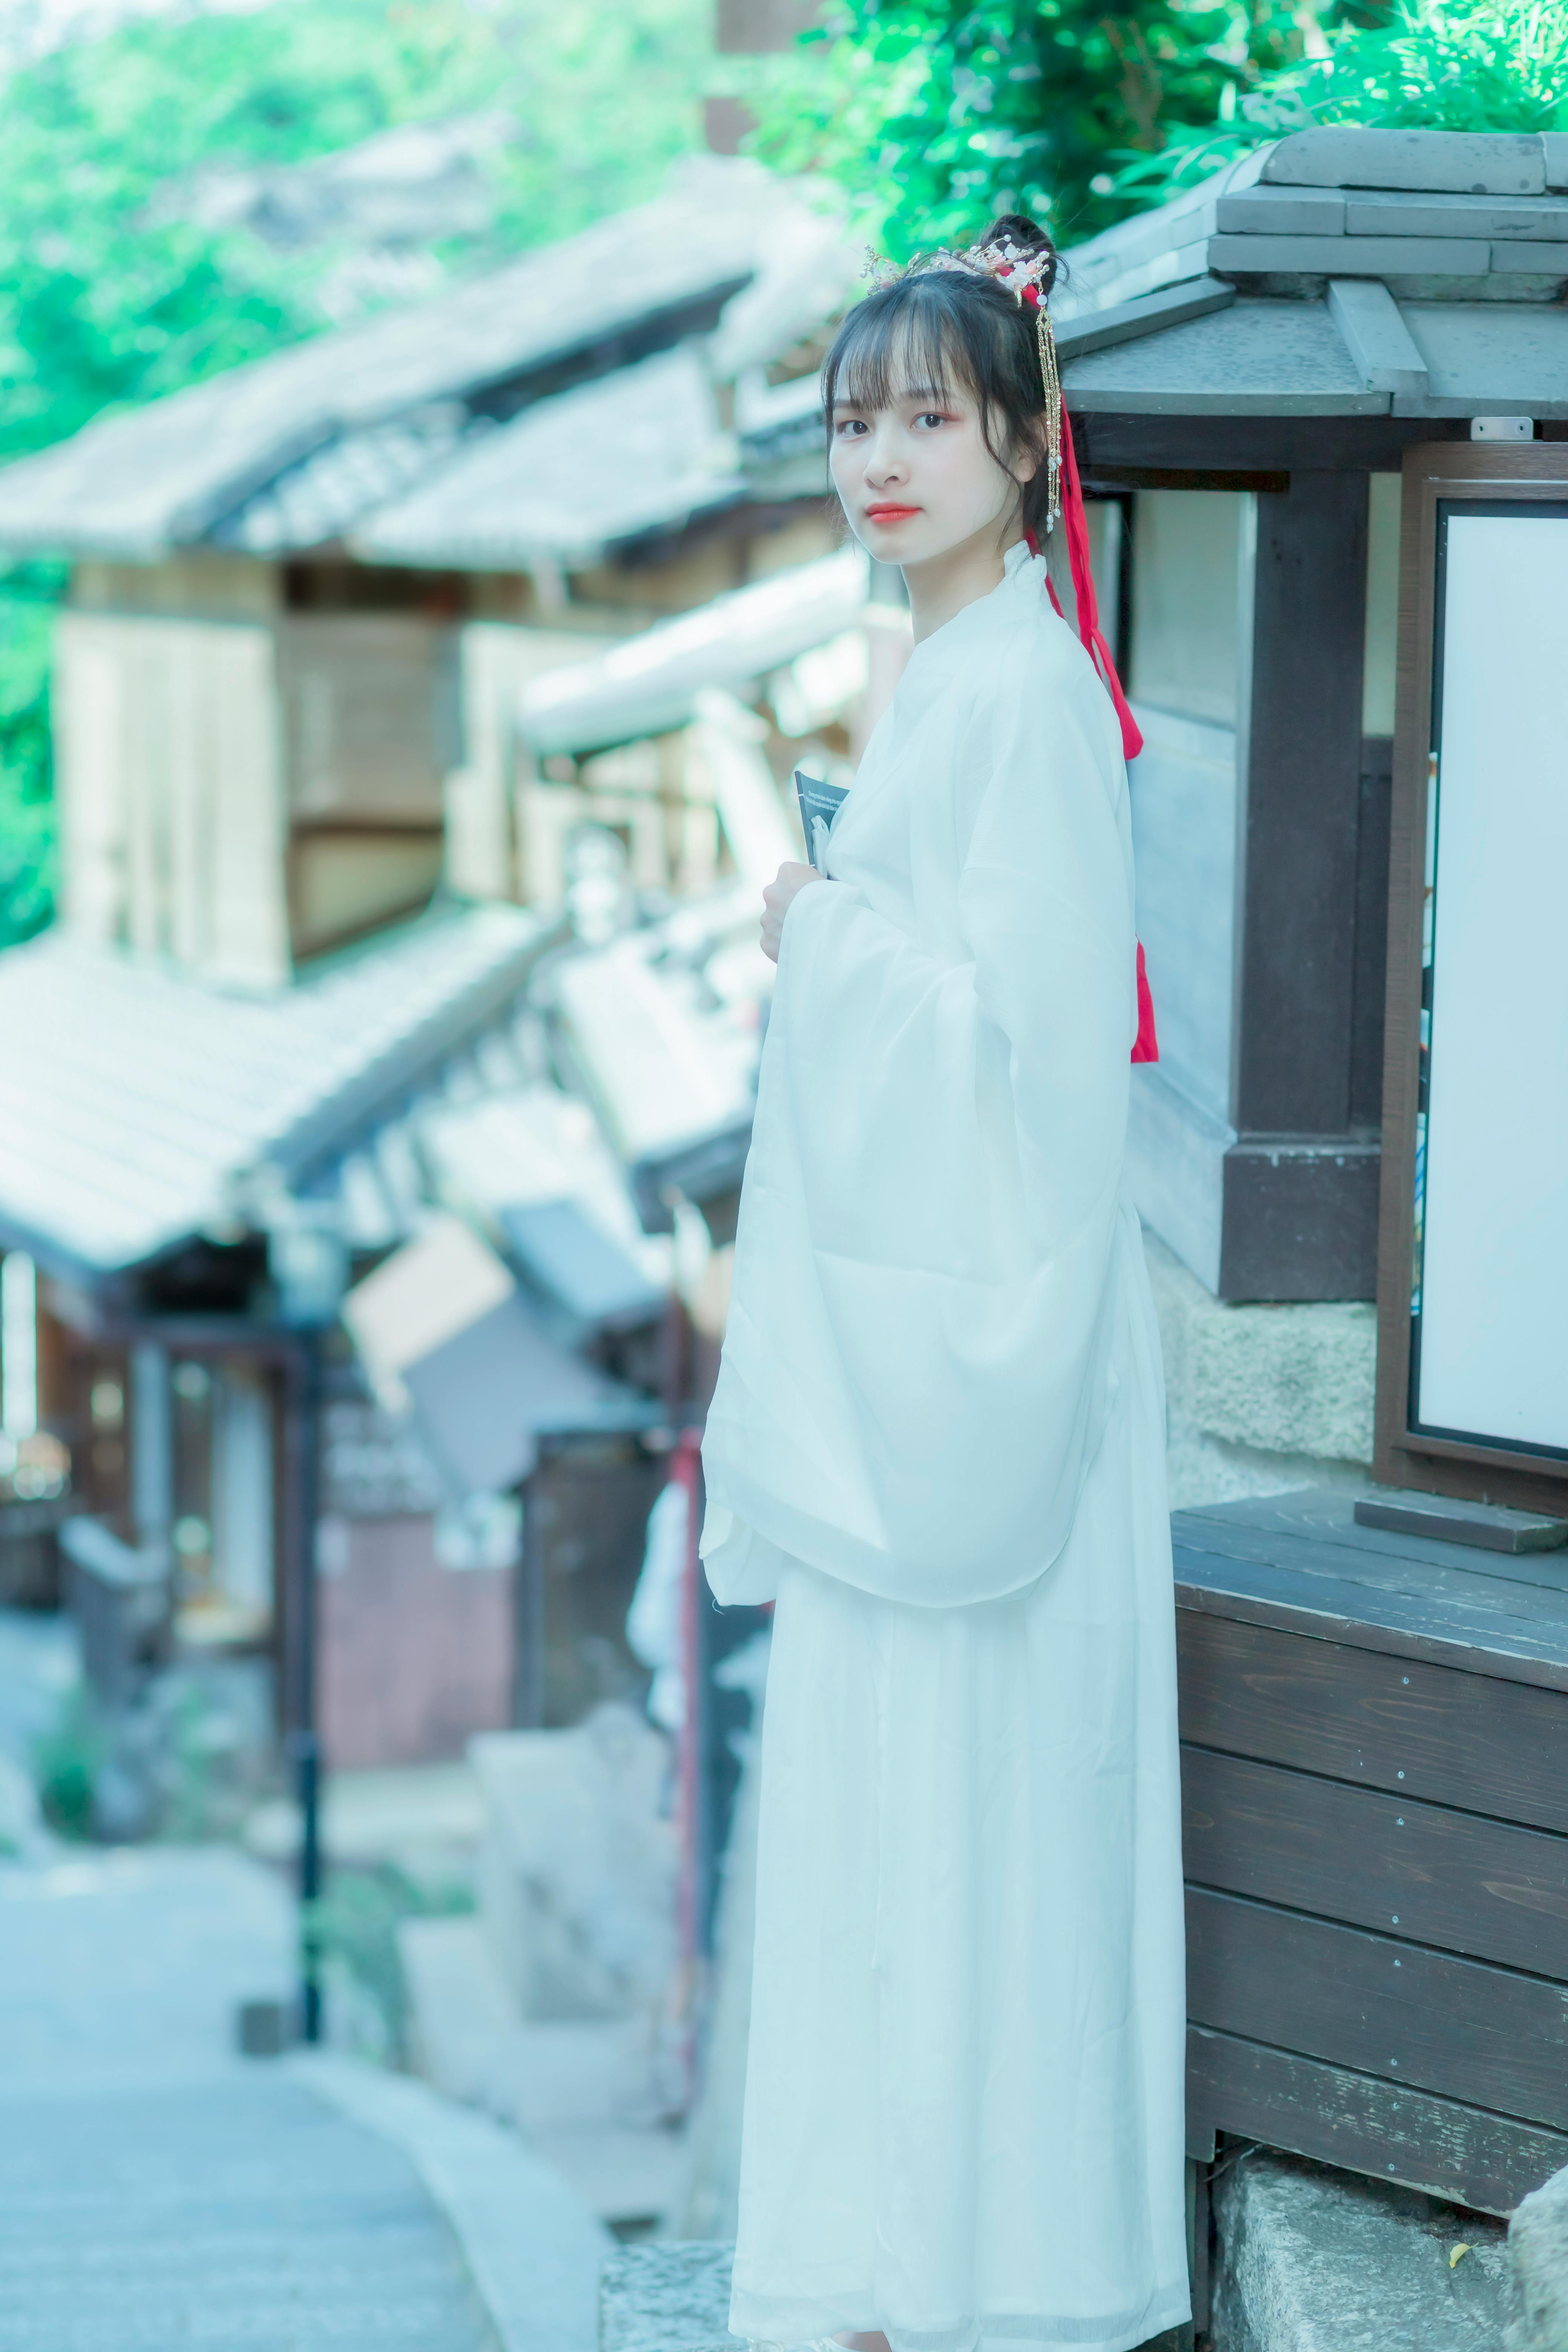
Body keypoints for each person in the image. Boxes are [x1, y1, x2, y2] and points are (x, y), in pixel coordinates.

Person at [699, 215, 1188, 2352]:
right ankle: (908, 2262)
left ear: (1022, 436)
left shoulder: (1027, 694)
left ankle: (968, 2274)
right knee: (923, 1834)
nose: (881, 457)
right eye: (851, 421)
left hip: (994, 1351)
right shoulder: (959, 674)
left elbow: (1029, 1059)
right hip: (935, 1359)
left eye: (926, 417)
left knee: (972, 1826)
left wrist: (819, 936)